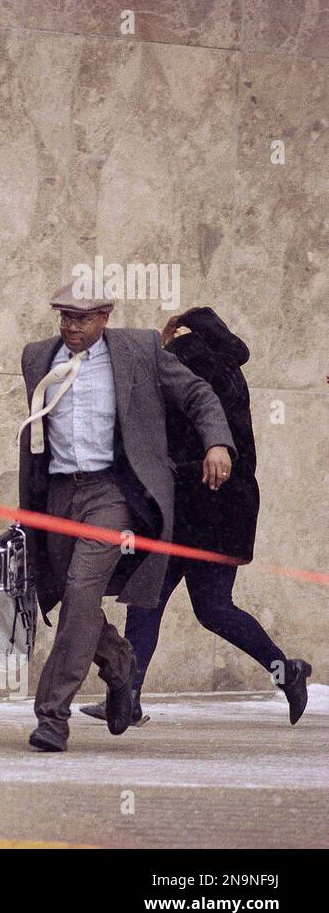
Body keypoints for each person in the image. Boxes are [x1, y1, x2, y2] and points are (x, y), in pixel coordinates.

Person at [18, 285, 235, 753]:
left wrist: (217, 442)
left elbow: (198, 393)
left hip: (110, 493)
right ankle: (121, 665)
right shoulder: (37, 357)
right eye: (65, 318)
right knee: (66, 598)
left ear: (105, 317)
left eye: (84, 319)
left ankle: (52, 716)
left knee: (80, 588)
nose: (73, 328)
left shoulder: (138, 349)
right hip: (56, 494)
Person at [80, 307, 312, 726]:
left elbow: (165, 420)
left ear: (184, 334)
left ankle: (130, 697)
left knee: (151, 600)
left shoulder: (189, 360)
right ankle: (285, 670)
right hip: (228, 510)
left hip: (192, 505)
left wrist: (165, 347)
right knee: (211, 607)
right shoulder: (229, 369)